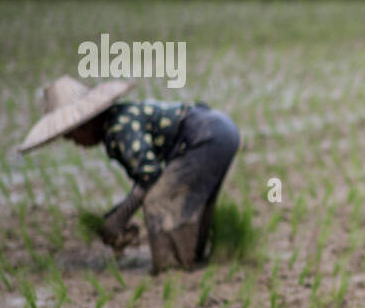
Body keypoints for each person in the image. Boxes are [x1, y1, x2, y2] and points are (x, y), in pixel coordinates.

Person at [19, 77, 240, 272]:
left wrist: (119, 216)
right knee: (189, 201)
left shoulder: (119, 128)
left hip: (205, 135)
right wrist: (119, 213)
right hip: (219, 129)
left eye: (71, 134)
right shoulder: (120, 119)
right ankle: (196, 258)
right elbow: (148, 176)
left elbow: (150, 174)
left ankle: (174, 268)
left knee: (159, 200)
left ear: (86, 122)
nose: (75, 142)